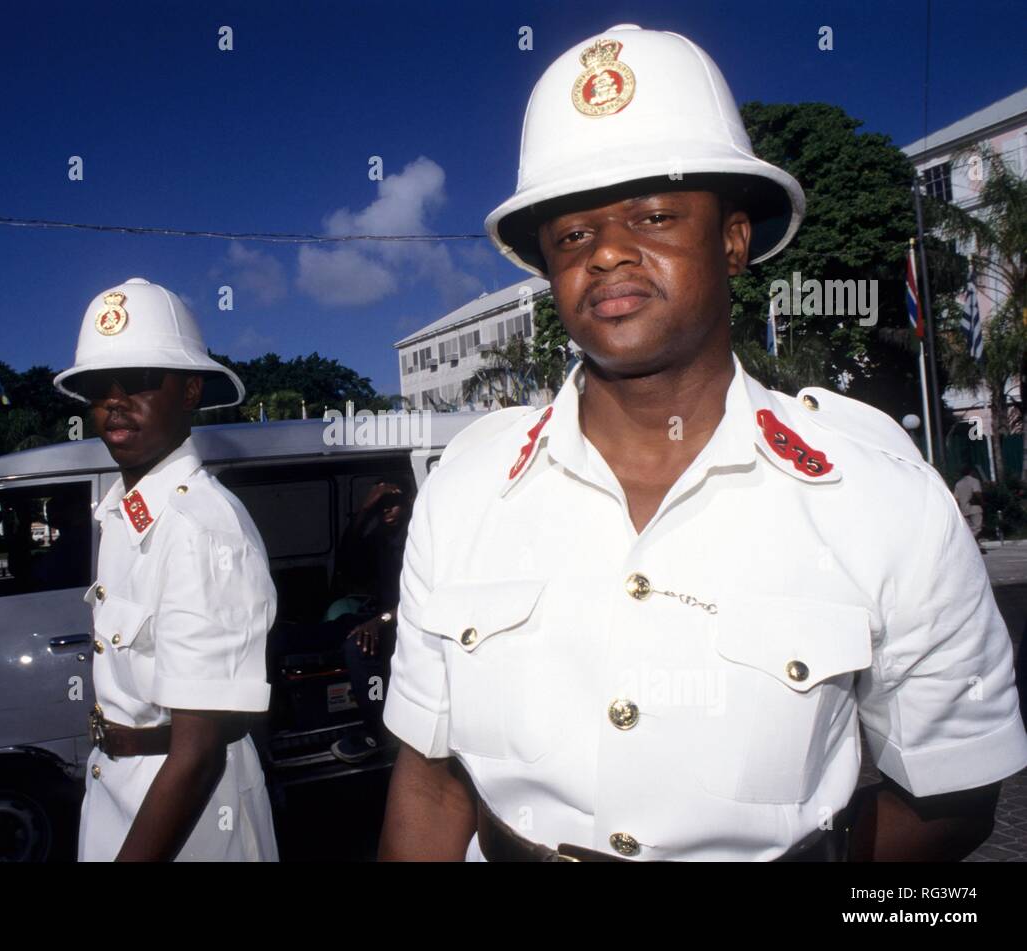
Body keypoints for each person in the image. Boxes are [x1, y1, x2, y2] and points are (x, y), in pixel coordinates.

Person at [378, 24, 1027, 862]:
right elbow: (431, 783)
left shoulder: (883, 499)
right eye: (573, 234)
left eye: (652, 215)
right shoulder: (466, 493)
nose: (608, 251)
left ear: (733, 237)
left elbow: (954, 795)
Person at [55, 278, 279, 861]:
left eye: (142, 379)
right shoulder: (123, 515)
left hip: (190, 819)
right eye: (99, 387)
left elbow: (198, 752)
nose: (114, 399)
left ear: (190, 392)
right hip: (119, 790)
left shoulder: (199, 528)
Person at [327, 480, 411, 763]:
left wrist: (381, 620)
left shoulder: (417, 538)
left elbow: (425, 599)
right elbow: (347, 556)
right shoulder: (382, 539)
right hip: (376, 614)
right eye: (381, 506)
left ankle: (378, 731)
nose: (387, 511)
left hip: (404, 623)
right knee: (303, 636)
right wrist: (364, 509)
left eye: (393, 504)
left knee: (361, 649)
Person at [953, 464, 984, 538]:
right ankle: (972, 543)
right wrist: (982, 502)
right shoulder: (975, 481)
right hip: (975, 507)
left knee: (968, 529)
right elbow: (977, 493)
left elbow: (956, 498)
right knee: (977, 528)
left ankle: (972, 543)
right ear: (971, 472)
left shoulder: (958, 483)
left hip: (963, 509)